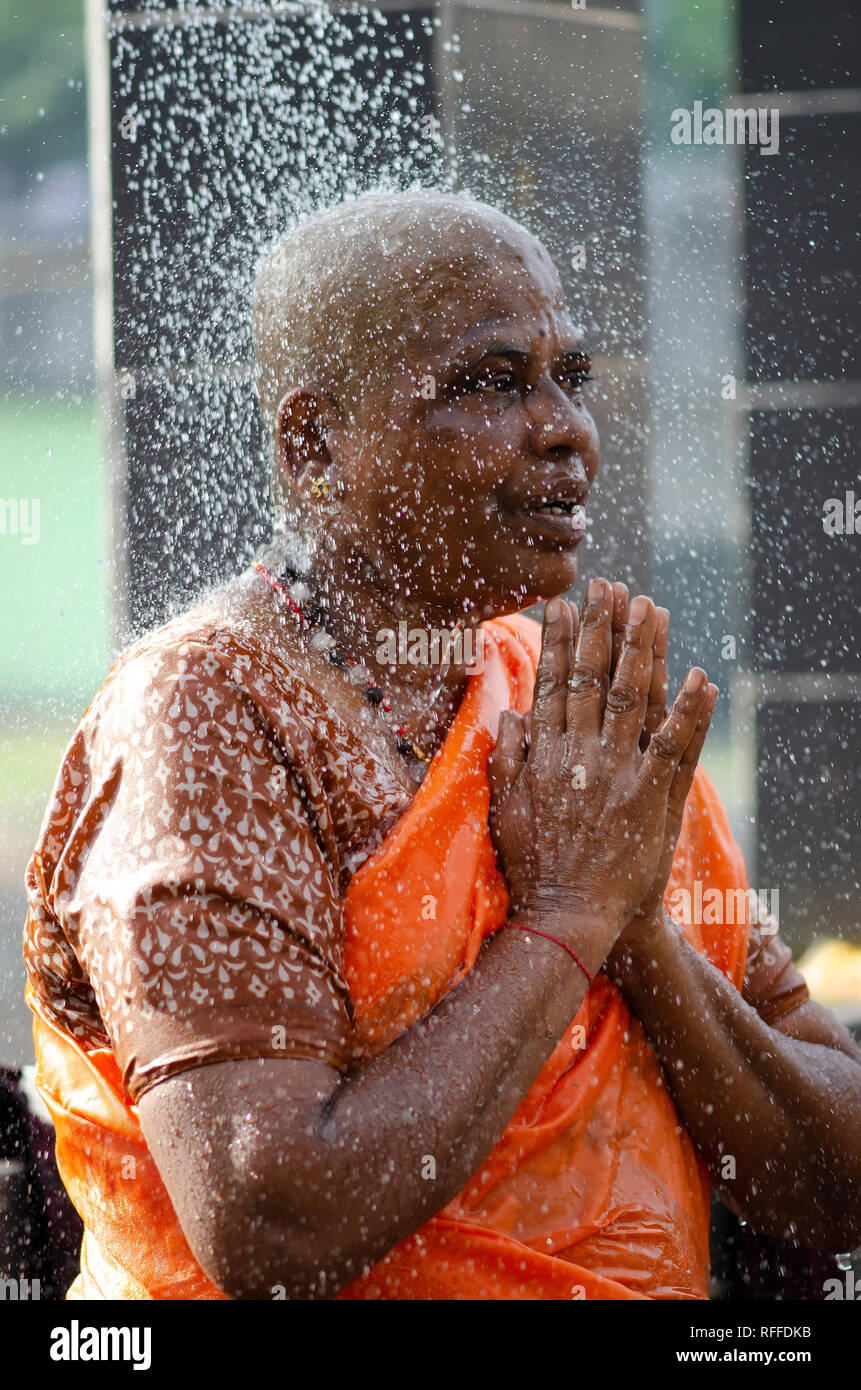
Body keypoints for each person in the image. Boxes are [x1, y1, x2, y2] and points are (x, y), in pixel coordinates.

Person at [24, 190, 861, 1301]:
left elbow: (836, 1178)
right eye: (492, 383)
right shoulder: (210, 716)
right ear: (315, 444)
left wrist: (634, 930)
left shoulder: (568, 711)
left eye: (573, 377)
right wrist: (563, 921)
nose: (568, 430)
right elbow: (271, 1222)